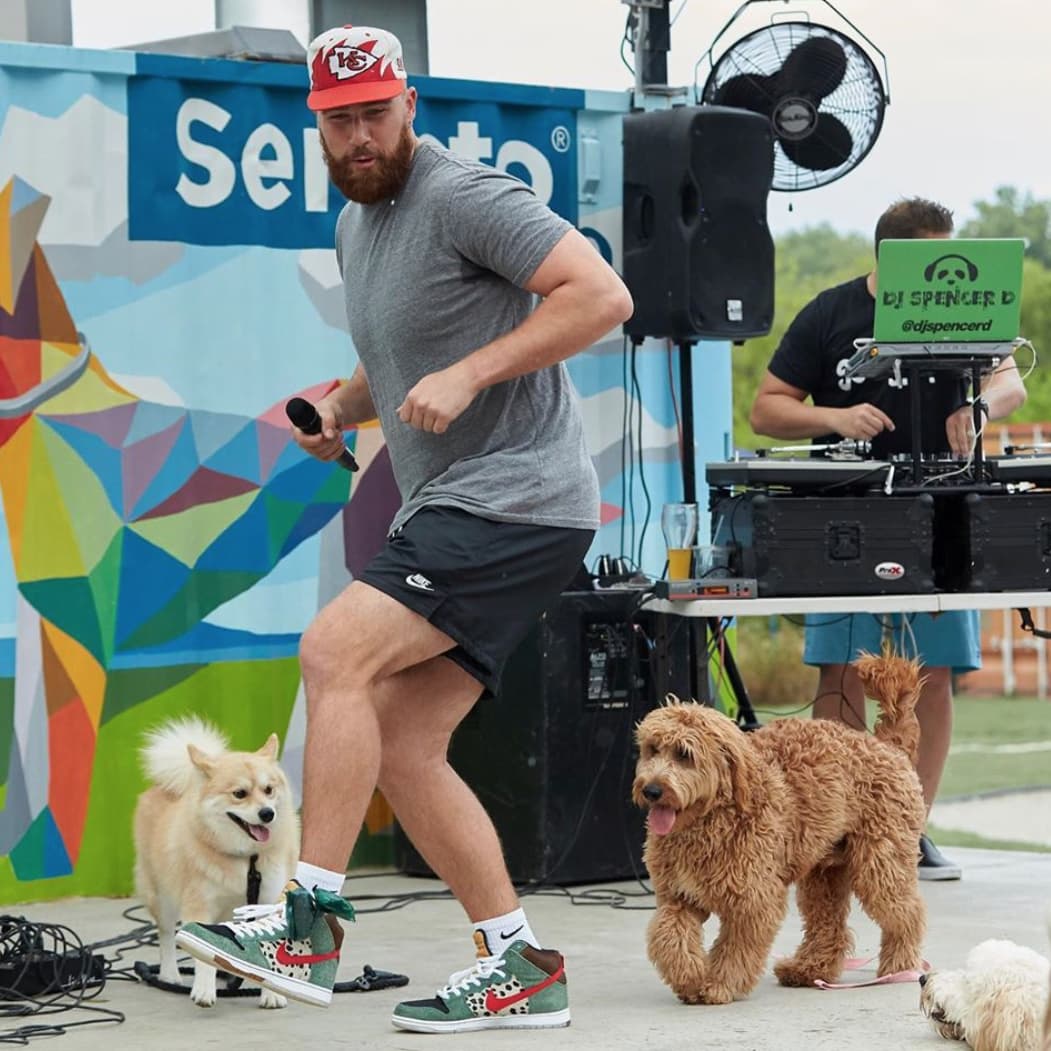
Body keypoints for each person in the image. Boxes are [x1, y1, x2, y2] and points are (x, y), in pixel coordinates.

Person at [174, 23, 632, 1032]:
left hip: (513, 496)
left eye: (375, 115)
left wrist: (473, 372)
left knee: (334, 651)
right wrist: (341, 411)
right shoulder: (357, 226)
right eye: (339, 123)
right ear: (318, 125)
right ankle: (519, 964)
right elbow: (399, 359)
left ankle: (308, 921)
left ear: (408, 105)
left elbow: (601, 295)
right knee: (402, 743)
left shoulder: (467, 197)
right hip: (473, 506)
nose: (359, 140)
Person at [749, 197, 1027, 881]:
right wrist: (836, 417)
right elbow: (767, 408)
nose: (941, 275)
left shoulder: (963, 307)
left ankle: (907, 830)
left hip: (942, 513)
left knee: (929, 679)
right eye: (925, 262)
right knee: (839, 668)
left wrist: (979, 407)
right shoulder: (828, 312)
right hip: (845, 519)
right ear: (887, 258)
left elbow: (1009, 378)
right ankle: (831, 825)